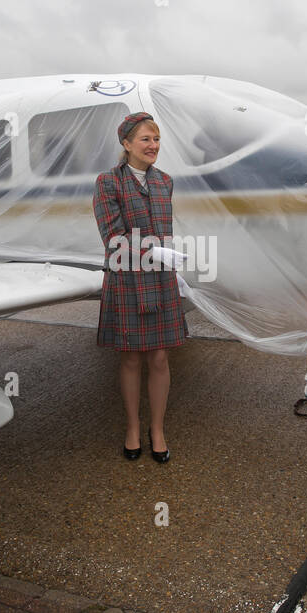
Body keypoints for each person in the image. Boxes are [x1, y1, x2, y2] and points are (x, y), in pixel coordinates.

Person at [93, 112, 187, 463]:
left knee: (160, 357)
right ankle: (132, 427)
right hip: (127, 278)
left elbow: (163, 229)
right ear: (127, 143)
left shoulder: (165, 181)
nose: (153, 146)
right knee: (131, 357)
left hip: (160, 278)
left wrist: (166, 257)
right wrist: (156, 250)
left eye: (157, 140)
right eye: (146, 139)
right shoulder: (108, 182)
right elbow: (113, 238)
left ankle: (157, 429)